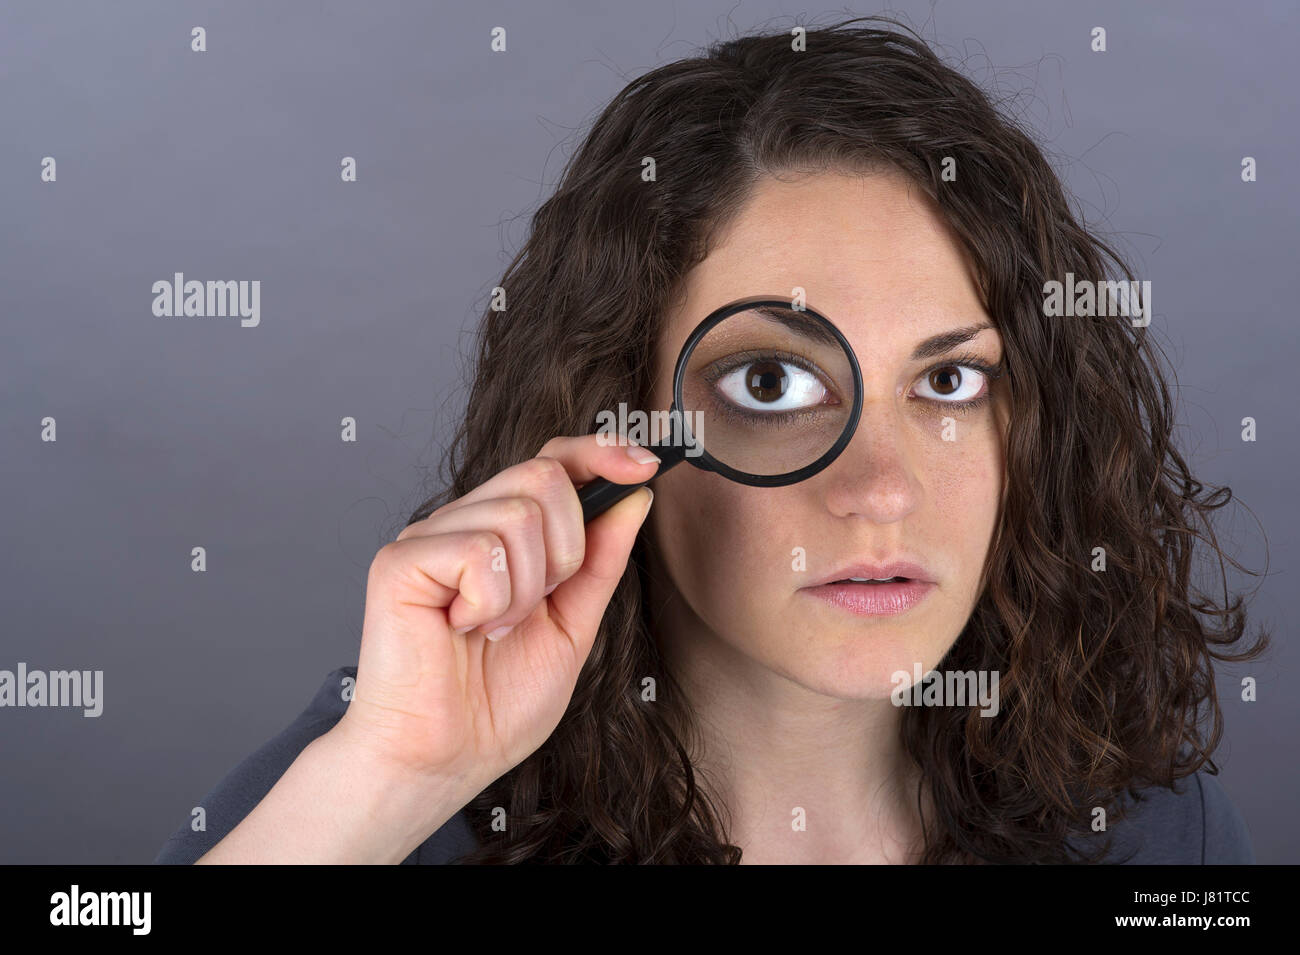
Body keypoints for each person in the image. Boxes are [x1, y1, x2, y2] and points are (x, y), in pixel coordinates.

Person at [156, 16, 1267, 865]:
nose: (881, 490)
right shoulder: (389, 793)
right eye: (772, 381)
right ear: (616, 423)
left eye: (946, 379)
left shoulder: (1146, 826)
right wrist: (390, 781)